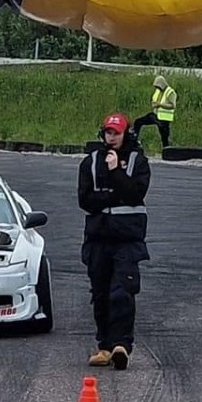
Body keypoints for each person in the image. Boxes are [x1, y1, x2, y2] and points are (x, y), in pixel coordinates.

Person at [78, 112, 150, 369]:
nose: (112, 137)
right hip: (98, 239)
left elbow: (135, 193)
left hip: (127, 239)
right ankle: (104, 346)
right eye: (108, 132)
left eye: (116, 133)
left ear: (125, 134)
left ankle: (122, 345)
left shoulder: (138, 162)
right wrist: (112, 197)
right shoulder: (90, 162)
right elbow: (85, 200)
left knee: (122, 292)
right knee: (100, 295)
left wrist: (114, 173)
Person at [133, 74, 177, 153]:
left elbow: (173, 105)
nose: (157, 88)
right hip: (155, 114)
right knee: (138, 121)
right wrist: (154, 104)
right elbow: (155, 99)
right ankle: (134, 139)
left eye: (158, 86)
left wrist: (160, 104)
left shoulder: (170, 92)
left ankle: (167, 152)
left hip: (164, 118)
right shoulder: (158, 91)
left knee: (164, 137)